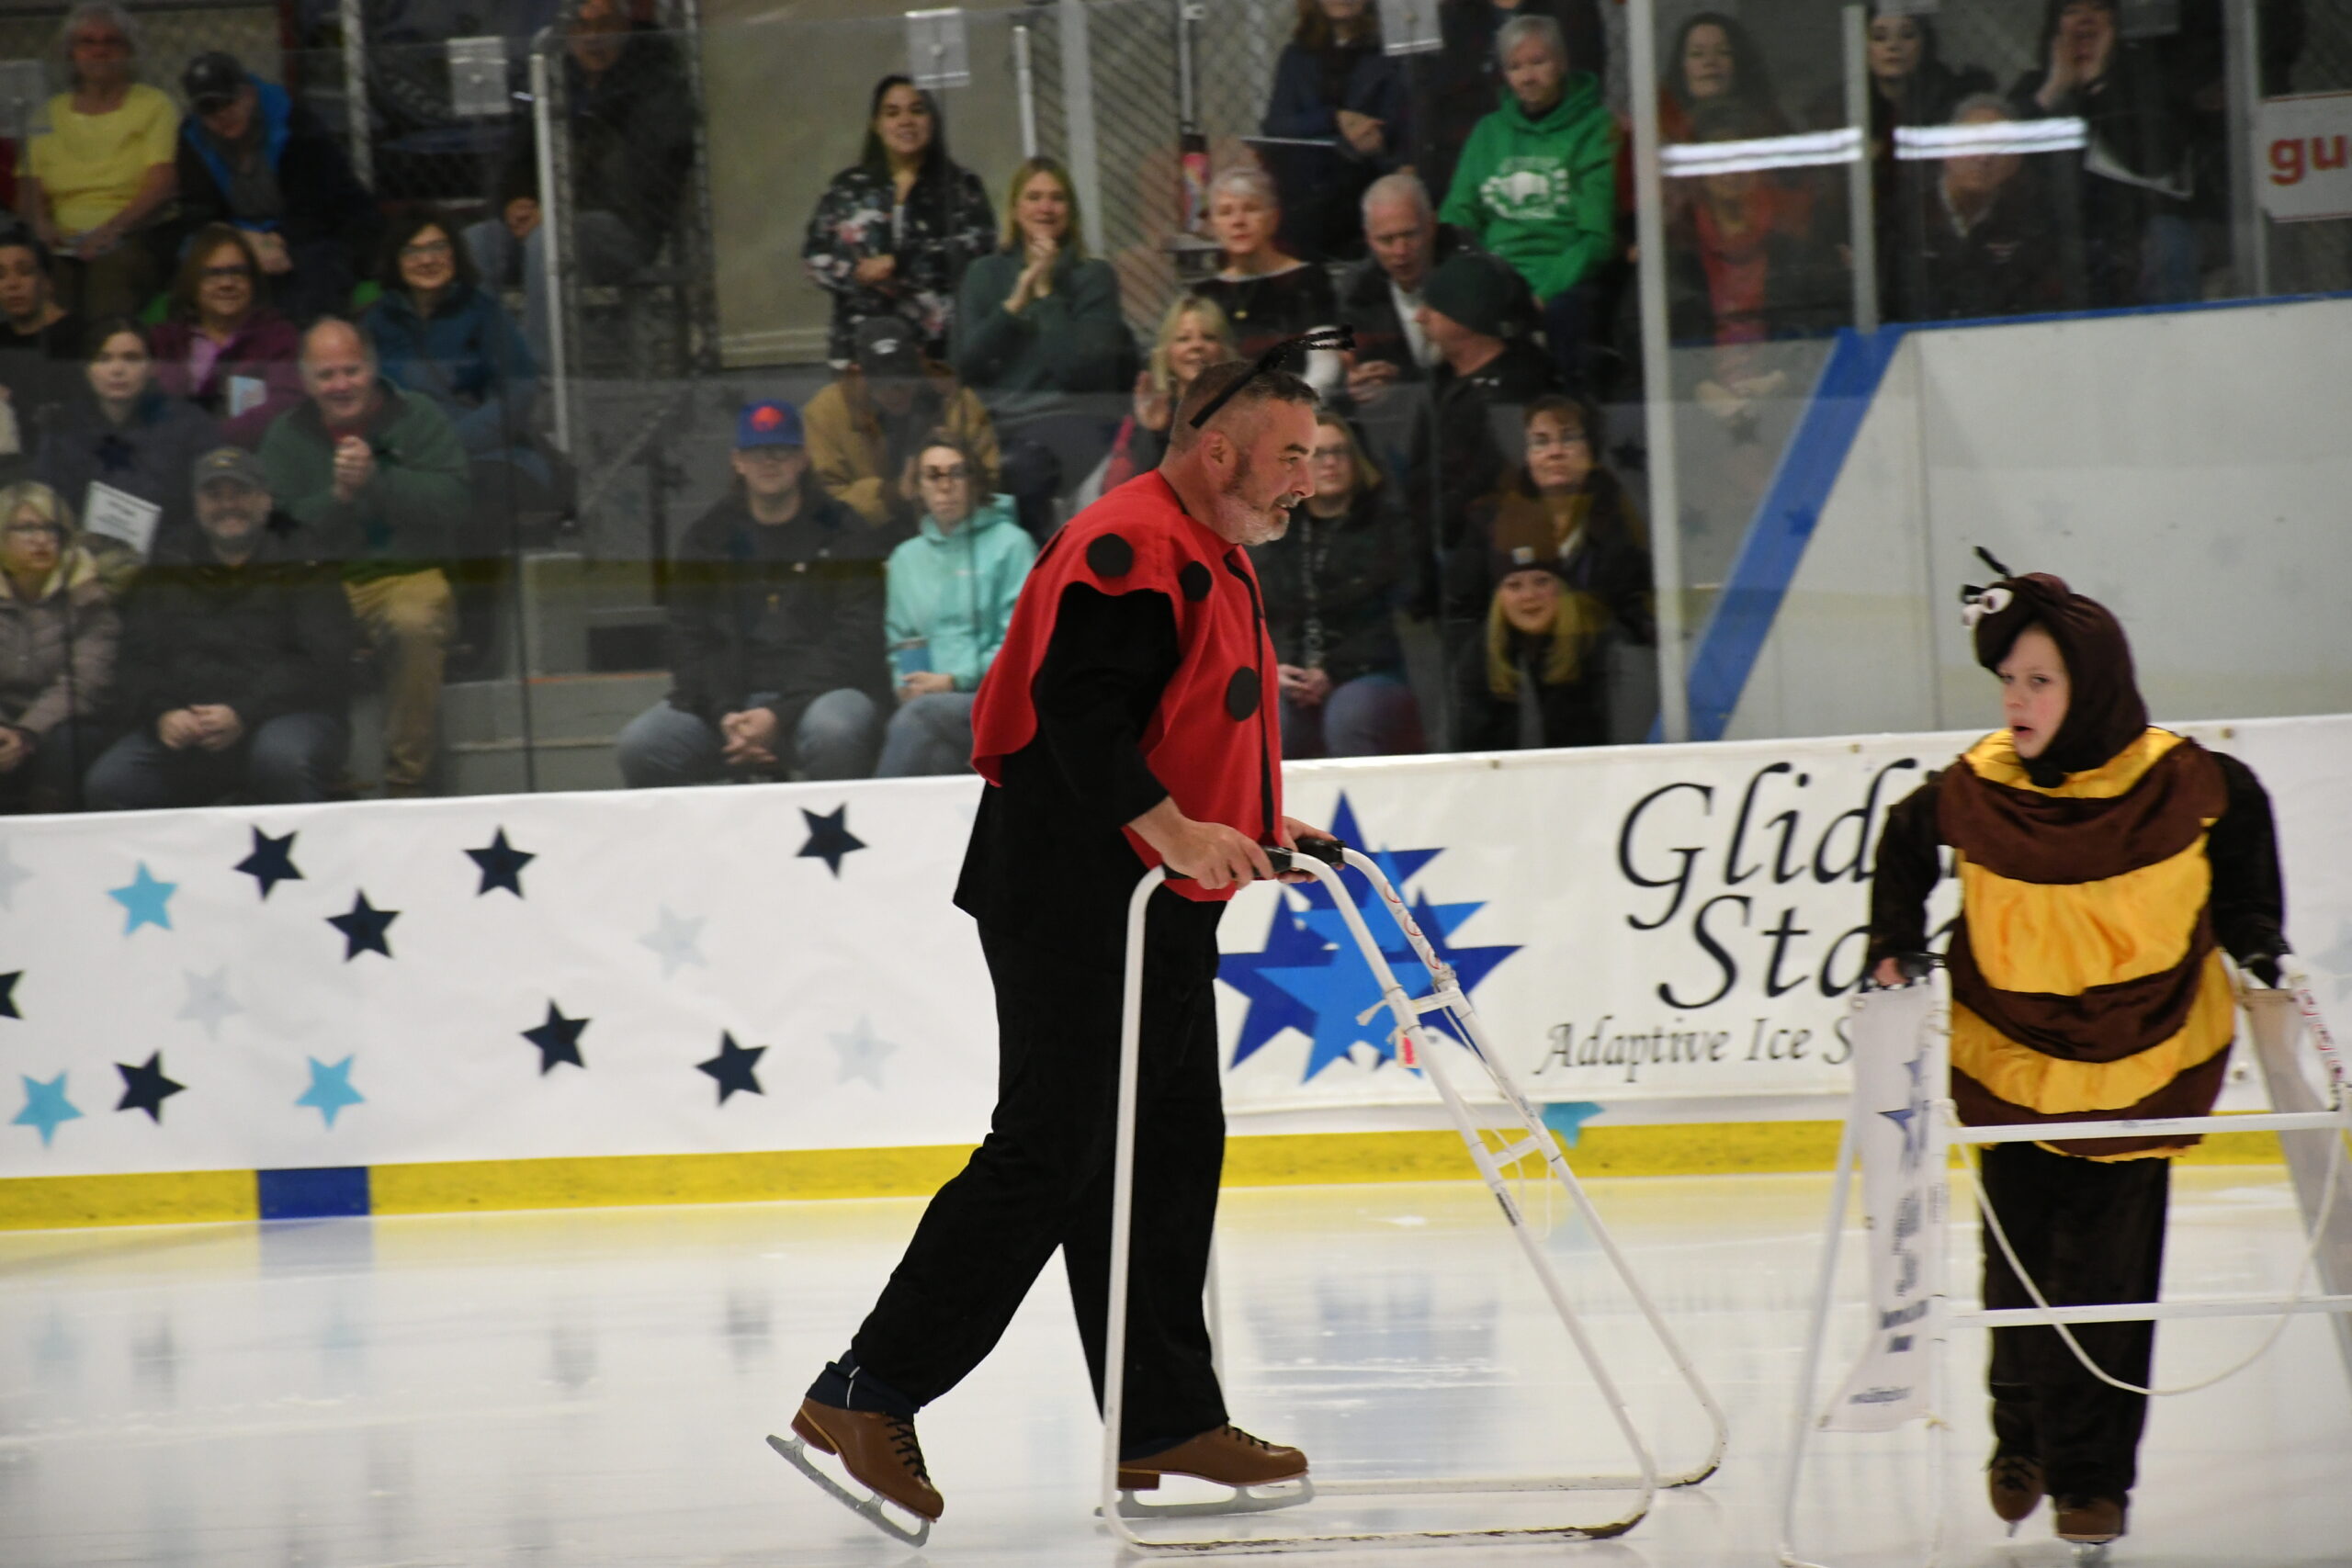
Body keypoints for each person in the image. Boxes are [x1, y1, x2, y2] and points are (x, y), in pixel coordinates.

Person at [789, 354, 1331, 1529]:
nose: (1309, 479)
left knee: (1170, 1147)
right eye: (1291, 455)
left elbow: (1169, 719)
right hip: (1075, 896)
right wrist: (1177, 830)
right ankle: (864, 1388)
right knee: (1054, 1149)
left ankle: (1163, 1415)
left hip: (1152, 895)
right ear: (1222, 450)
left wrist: (1241, 819)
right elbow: (1076, 714)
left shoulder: (1210, 548)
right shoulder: (1130, 543)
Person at [1866, 570, 2290, 1551]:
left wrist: (2258, 937)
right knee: (2014, 1275)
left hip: (2141, 1070)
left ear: (2092, 685)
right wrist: (1893, 938)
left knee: (2108, 1280)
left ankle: (2092, 1479)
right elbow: (1903, 835)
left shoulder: (2184, 782)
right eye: (2008, 680)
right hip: (2009, 1061)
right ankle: (2020, 1442)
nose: (2016, 701)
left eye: (2039, 682)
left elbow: (2242, 841)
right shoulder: (1976, 788)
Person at [616, 399, 888, 786]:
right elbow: (686, 640)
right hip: (730, 706)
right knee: (643, 745)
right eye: (757, 451)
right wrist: (727, 715)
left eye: (781, 450)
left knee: (837, 730)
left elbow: (858, 638)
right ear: (737, 461)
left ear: (803, 459)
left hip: (818, 698)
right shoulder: (708, 538)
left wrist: (779, 715)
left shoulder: (844, 531)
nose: (769, 462)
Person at [258, 317, 469, 797]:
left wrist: (379, 480)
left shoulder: (419, 416)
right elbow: (275, 534)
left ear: (373, 369)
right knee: (279, 628)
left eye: (351, 371)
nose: (340, 385)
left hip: (407, 574)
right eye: (326, 375)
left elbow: (455, 502)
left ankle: (406, 782)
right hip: (321, 582)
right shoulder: (284, 437)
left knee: (413, 622)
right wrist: (336, 497)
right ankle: (319, 776)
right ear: (306, 381)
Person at [83, 446, 353, 809]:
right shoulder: (166, 565)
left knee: (280, 758)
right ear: (196, 503)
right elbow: (135, 660)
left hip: (286, 716)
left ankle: (309, 863)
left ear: (265, 500)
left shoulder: (306, 556)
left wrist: (243, 712)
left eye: (240, 493)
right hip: (187, 727)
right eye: (214, 495)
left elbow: (324, 661)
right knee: (111, 782)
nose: (228, 505)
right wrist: (162, 714)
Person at [467, 0, 698, 364]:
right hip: (546, 216)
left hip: (622, 227)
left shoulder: (656, 81)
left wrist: (555, 212)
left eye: (603, 23)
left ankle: (540, 375)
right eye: (579, 25)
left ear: (624, 25)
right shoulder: (555, 76)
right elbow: (516, 158)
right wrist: (516, 201)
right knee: (476, 242)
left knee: (550, 242)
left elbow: (646, 177)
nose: (592, 37)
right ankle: (482, 370)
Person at [1446, 395, 1650, 746]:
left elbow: (1636, 605)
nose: (1555, 452)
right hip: (1512, 671)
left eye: (1568, 438)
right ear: (1526, 454)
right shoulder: (1492, 518)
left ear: (1591, 449)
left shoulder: (1624, 516)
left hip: (1599, 672)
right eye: (1541, 442)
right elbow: (1465, 604)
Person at [952, 158, 1136, 537]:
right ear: (1016, 209)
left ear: (1071, 210)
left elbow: (1079, 372)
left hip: (1075, 419)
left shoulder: (1094, 277)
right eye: (1034, 197)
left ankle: (1040, 578)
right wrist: (1014, 304)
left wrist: (1047, 293)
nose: (1045, 208)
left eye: (1057, 198)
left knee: (1023, 468)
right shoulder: (985, 274)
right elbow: (966, 366)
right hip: (997, 422)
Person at [1439, 14, 1618, 392]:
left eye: (1538, 62)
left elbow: (1596, 239)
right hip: (1498, 277)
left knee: (1568, 316)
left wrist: (1541, 292)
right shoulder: (1488, 132)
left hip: (1562, 281)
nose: (1528, 76)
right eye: (1515, 67)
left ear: (1563, 63)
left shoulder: (1595, 129)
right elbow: (1459, 215)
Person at [1252, 412, 1419, 759]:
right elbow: (1259, 615)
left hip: (1373, 672)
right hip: (1296, 676)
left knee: (1349, 714)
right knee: (1267, 715)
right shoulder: (1278, 531)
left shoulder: (1388, 526)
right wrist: (1274, 666)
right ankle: (1276, 815)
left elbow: (1402, 619)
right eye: (1317, 454)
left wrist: (1332, 671)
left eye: (1339, 452)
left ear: (1355, 459)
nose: (1330, 463)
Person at [2009, 0, 2196, 307]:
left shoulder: (2144, 80)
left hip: (2136, 226)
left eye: (2097, 8)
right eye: (2072, 11)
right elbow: (2001, 158)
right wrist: (2053, 89)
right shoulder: (2035, 87)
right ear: (2055, 28)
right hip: (2056, 232)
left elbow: (2156, 160)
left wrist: (2098, 84)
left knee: (2170, 242)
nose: (2085, 20)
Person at [173, 51, 379, 326]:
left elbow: (316, 206)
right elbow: (198, 212)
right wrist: (245, 242)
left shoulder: (295, 124)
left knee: (310, 266)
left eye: (228, 102)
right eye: (209, 109)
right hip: (242, 232)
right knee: (191, 257)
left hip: (319, 227)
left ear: (249, 94)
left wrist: (274, 241)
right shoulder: (192, 138)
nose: (222, 115)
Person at [803, 74, 996, 367]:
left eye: (917, 110)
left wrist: (901, 264)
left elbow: (980, 251)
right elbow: (814, 257)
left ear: (933, 120)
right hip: (859, 349)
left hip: (936, 351)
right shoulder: (847, 188)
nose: (906, 121)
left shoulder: (961, 186)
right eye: (892, 113)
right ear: (876, 125)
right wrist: (859, 272)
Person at [876, 431, 1035, 777]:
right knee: (937, 759)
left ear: (975, 482)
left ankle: (871, 825)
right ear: (917, 486)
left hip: (998, 700)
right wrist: (907, 686)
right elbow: (901, 641)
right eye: (933, 475)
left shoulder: (1012, 545)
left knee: (918, 719)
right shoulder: (906, 559)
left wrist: (953, 681)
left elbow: (1023, 645)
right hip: (931, 708)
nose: (945, 485)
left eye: (956, 473)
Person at [13, 3, 177, 320]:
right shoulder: (47, 113)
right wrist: (43, 226)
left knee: (109, 271)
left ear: (128, 50)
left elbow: (162, 185)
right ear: (70, 52)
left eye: (111, 41)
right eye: (87, 42)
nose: (99, 50)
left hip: (132, 234)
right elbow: (28, 192)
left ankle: (104, 358)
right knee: (44, 273)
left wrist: (111, 231)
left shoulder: (153, 104)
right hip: (62, 239)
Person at [34, 317, 220, 589]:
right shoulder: (63, 427)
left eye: (131, 359)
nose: (117, 370)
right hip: (79, 572)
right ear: (87, 368)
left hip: (168, 571)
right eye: (104, 358)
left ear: (153, 367)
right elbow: (45, 507)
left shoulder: (188, 425)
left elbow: (207, 504)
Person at [1665, 103, 1845, 349]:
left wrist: (1779, 375)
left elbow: (1818, 326)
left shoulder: (1792, 245)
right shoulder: (1679, 248)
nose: (1731, 172)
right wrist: (1700, 384)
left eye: (1741, 159)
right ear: (1699, 172)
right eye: (1717, 160)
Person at [1414, 251, 1557, 552]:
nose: (1420, 316)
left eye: (1434, 307)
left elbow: (1492, 481)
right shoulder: (1439, 382)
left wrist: (1432, 519)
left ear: (1468, 318)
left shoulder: (1518, 392)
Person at [803, 315, 999, 532]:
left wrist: (950, 476)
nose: (894, 393)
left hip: (954, 524)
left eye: (904, 381)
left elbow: (990, 478)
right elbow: (825, 498)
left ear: (920, 362)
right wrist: (892, 495)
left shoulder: (956, 400)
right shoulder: (826, 412)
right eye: (882, 384)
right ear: (859, 373)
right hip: (866, 535)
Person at [1259, 0, 1413, 264]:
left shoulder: (1393, 56)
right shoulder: (1297, 57)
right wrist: (1334, 119)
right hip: (1308, 197)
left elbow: (1395, 126)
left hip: (1368, 186)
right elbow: (1277, 126)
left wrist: (1369, 143)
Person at [1892, 96, 2068, 323]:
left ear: (2016, 160)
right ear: (1946, 148)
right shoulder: (1903, 218)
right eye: (1972, 142)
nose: (1984, 157)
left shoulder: (2032, 226)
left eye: (1998, 146)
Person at [0, 480, 114, 810]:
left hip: (57, 724)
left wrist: (25, 733)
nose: (41, 540)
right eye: (26, 529)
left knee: (70, 743)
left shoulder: (87, 597)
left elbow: (84, 683)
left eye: (52, 529)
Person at [1427, 0, 1606, 206]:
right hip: (1475, 152)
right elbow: (1443, 99)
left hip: (1556, 146)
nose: (1527, 76)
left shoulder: (1571, 9)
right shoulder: (1456, 14)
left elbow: (1584, 86)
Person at [1337, 173, 1492, 402]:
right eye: (1386, 240)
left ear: (1431, 225)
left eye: (1410, 235)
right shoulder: (1357, 295)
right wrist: (1361, 385)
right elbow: (1361, 375)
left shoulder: (1471, 271)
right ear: (1368, 239)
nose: (1400, 251)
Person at [149, 224, 303, 448]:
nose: (227, 283)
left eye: (237, 272)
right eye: (213, 274)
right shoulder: (165, 341)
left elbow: (286, 404)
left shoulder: (279, 337)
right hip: (174, 457)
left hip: (253, 459)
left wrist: (212, 436)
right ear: (193, 282)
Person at [1193, 167, 1339, 362]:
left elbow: (1325, 362)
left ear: (1274, 218)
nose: (1238, 221)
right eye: (1225, 212)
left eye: (1251, 209)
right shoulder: (1206, 293)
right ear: (1214, 225)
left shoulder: (1309, 280)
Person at [1102, 294, 1233, 493]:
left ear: (1224, 350)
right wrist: (1153, 433)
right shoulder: (1150, 414)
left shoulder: (1247, 410)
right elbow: (1123, 492)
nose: (1197, 346)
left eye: (1209, 337)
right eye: (1183, 339)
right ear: (1168, 354)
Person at [0, 229, 83, 458]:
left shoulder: (83, 337)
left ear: (48, 282)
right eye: (0, 275)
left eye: (24, 272)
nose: (11, 284)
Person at [1657, 11, 1789, 145]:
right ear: (1682, 65)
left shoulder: (1769, 125)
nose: (1710, 61)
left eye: (1723, 52)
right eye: (1697, 54)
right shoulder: (1659, 126)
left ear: (1740, 62)